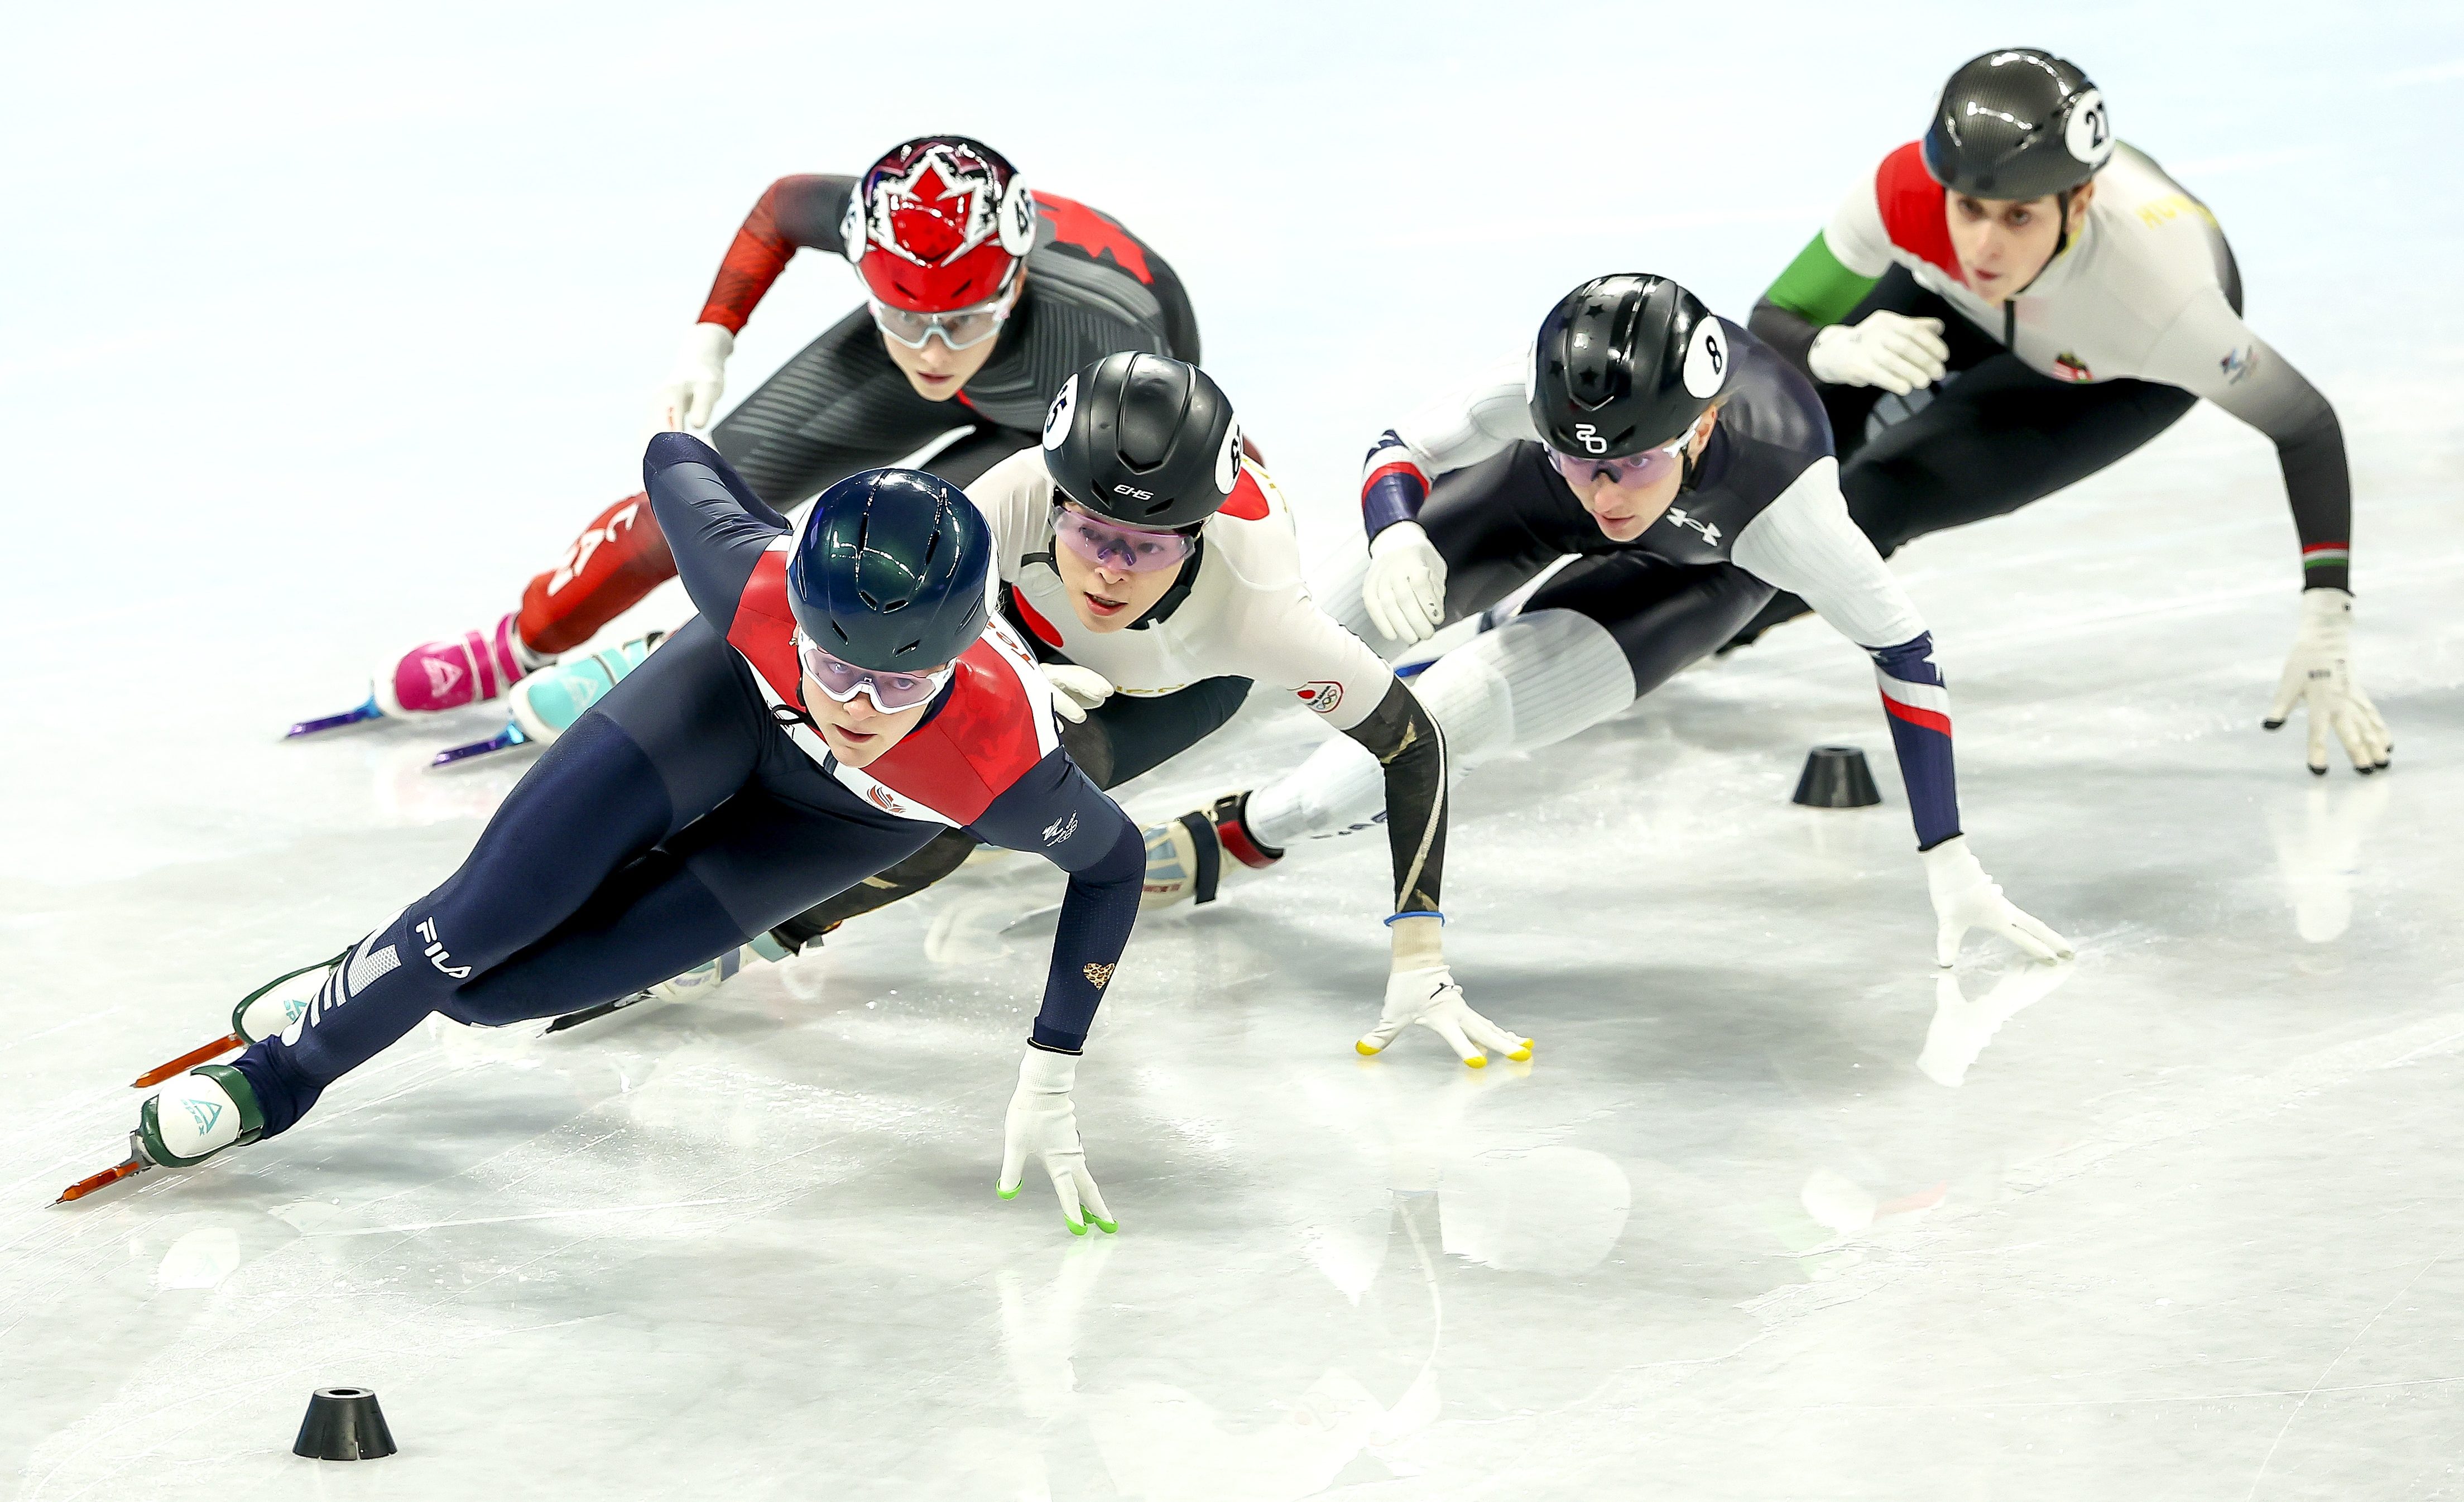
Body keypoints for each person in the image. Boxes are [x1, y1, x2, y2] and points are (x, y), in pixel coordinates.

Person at [83, 435, 1142, 1235]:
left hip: (841, 821)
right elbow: (675, 457)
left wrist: (1052, 1063)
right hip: (728, 697)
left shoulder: (1003, 769)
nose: (856, 706)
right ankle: (283, 1074)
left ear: (956, 663)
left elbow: (1115, 864)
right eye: (836, 660)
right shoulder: (754, 585)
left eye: (899, 681)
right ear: (800, 617)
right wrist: (778, 538)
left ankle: (372, 969)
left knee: (494, 995)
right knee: (483, 917)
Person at [546, 354, 1526, 1068]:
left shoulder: (1264, 616)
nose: (1108, 566)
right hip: (1010, 624)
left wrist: (1420, 945)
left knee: (957, 805)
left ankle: (757, 938)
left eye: (1146, 548)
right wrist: (1001, 653)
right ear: (1055, 499)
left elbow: (1413, 744)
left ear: (1198, 539)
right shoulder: (1013, 495)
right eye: (1092, 529)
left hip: (1170, 686)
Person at [1144, 273, 2071, 972]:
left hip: (1694, 575)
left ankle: (1243, 833)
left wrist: (1947, 853)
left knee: (1442, 719)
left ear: (1700, 432)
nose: (1601, 490)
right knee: (1283, 628)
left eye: (1629, 466)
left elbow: (1902, 650)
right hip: (1519, 507)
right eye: (1578, 458)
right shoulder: (1540, 405)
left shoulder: (1789, 500)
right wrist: (1396, 538)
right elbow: (1405, 446)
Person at [291, 135, 1199, 745]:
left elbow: (1149, 523)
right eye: (899, 317)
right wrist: (711, 334)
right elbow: (778, 207)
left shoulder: (1111, 342)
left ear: (1014, 285)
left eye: (961, 323)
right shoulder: (899, 223)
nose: (930, 353)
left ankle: (685, 659)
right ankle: (516, 640)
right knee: (687, 500)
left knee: (900, 572)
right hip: (1015, 368)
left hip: (1064, 418)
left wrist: (1022, 650)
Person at [1735, 47, 2387, 775]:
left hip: (2107, 366)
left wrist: (2328, 617)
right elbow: (1774, 320)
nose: (1984, 244)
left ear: (2079, 204)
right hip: (1965, 300)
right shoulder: (1908, 193)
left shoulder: (2171, 311)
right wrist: (1829, 348)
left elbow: (2305, 425)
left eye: (2017, 215)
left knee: (1880, 495)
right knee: (1786, 426)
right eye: (1970, 208)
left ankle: (1698, 627)